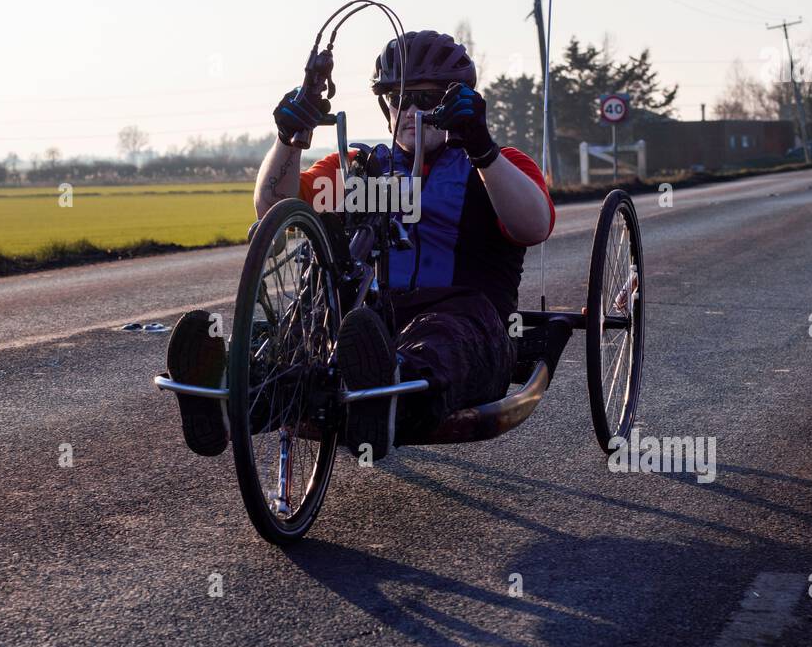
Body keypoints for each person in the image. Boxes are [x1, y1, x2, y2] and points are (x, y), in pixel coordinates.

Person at [166, 29, 555, 460]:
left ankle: (387, 390)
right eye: (397, 98)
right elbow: (274, 207)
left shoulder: (498, 163)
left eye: (426, 99)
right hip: (363, 321)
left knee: (443, 339)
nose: (409, 110)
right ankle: (224, 391)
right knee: (301, 344)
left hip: (464, 317)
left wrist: (481, 148)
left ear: (456, 100)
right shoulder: (357, 166)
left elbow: (533, 226)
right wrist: (289, 137)